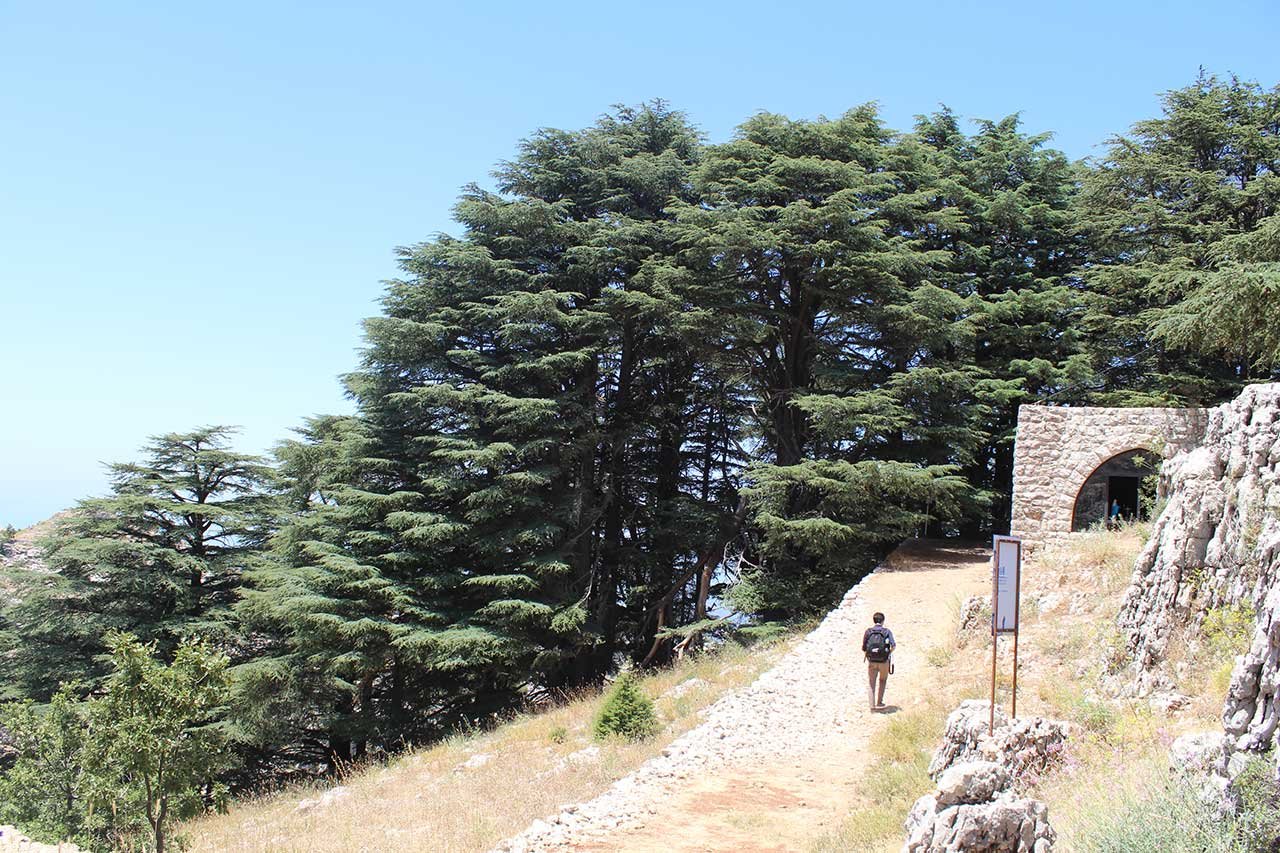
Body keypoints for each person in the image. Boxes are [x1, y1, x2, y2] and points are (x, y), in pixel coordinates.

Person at [862, 611, 896, 711]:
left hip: (872, 661)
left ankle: (872, 706)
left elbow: (864, 647)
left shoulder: (868, 632)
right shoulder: (886, 632)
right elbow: (893, 645)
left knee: (871, 683)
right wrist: (888, 653)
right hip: (884, 661)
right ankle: (879, 702)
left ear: (874, 620)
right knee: (882, 680)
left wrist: (869, 655)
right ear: (883, 621)